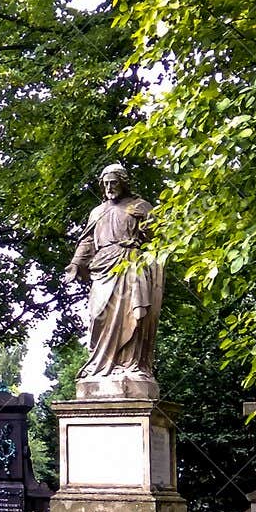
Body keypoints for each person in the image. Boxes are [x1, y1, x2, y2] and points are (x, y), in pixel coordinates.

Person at [63, 163, 163, 398]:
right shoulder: (97, 212)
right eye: (105, 183)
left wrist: (148, 227)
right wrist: (76, 264)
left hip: (130, 265)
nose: (109, 187)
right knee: (99, 316)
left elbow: (159, 241)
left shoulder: (140, 207)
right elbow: (87, 242)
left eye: (113, 182)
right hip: (103, 266)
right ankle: (101, 366)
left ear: (123, 183)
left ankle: (131, 365)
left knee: (134, 316)